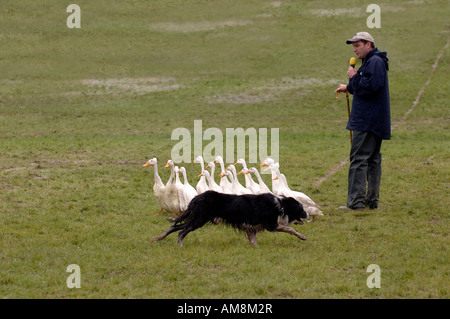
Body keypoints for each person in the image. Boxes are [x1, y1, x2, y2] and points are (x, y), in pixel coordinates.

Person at [335, 32, 391, 211]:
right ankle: (371, 201)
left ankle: (355, 202)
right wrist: (349, 87)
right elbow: (366, 85)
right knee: (372, 159)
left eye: (358, 45)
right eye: (353, 45)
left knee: (359, 159)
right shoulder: (373, 62)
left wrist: (353, 77)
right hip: (375, 120)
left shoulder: (374, 62)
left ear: (369, 45)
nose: (354, 49)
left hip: (367, 121)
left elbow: (370, 87)